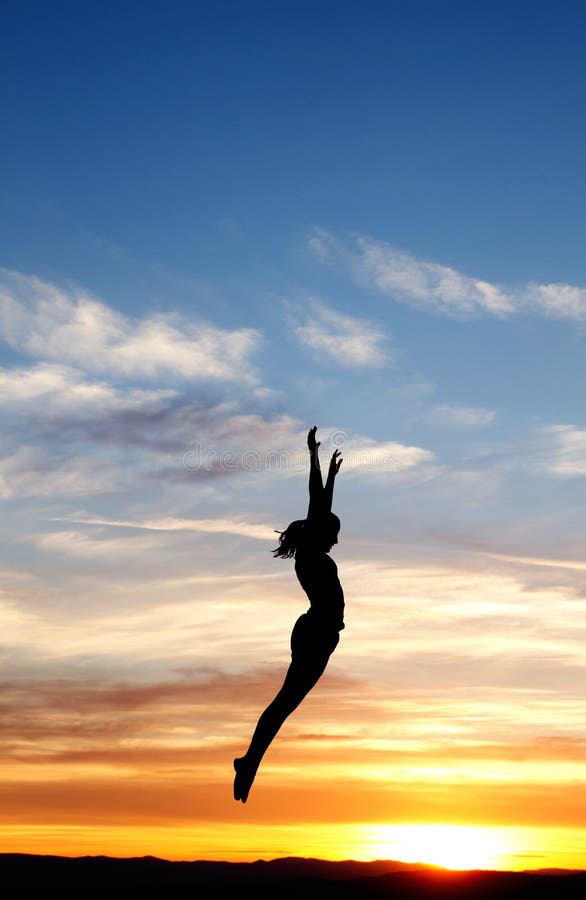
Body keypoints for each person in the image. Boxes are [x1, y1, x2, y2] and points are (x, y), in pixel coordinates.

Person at [233, 426, 344, 803]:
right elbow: (317, 502)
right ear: (317, 533)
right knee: (284, 702)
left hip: (321, 635)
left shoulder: (314, 554)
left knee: (286, 703)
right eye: (333, 532)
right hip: (315, 633)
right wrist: (314, 458)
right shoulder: (312, 556)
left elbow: (322, 507)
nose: (336, 540)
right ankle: (248, 762)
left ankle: (249, 761)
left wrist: (331, 474)